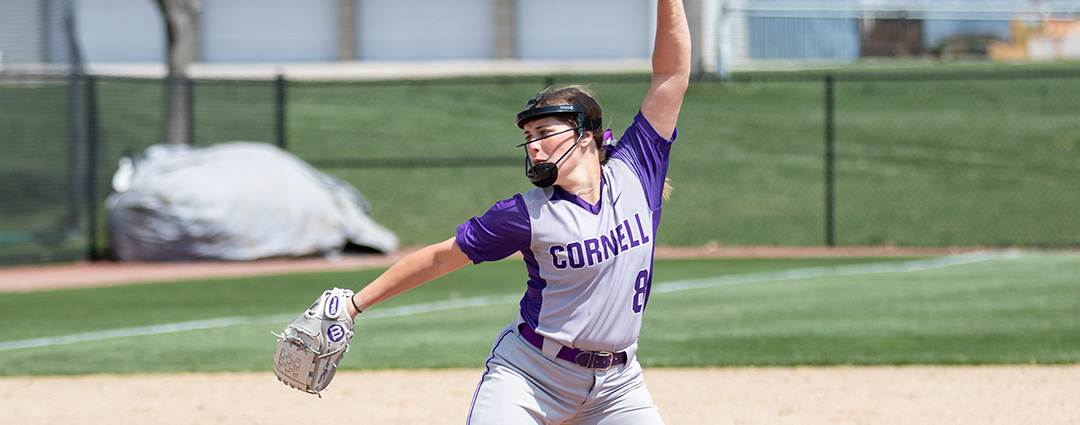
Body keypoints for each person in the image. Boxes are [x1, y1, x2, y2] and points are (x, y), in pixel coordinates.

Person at [344, 1, 690, 423]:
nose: (534, 146)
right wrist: (353, 306)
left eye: (545, 132)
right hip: (531, 377)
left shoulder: (638, 171)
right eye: (529, 137)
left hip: (618, 387)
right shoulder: (525, 214)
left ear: (585, 135)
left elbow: (671, 74)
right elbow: (440, 258)